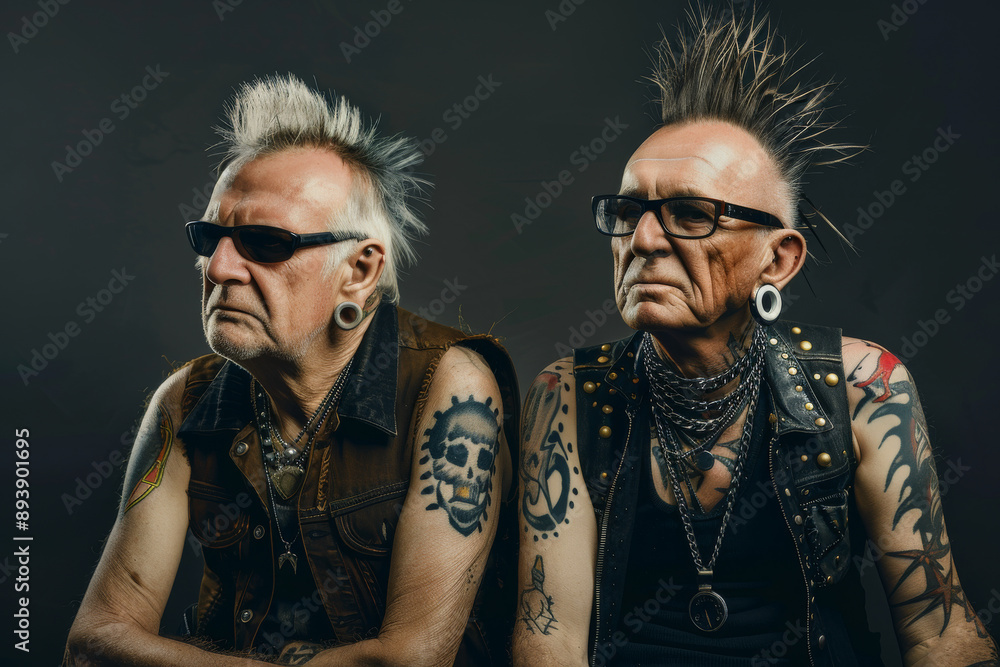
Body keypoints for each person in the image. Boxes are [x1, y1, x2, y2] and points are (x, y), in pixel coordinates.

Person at [513, 7, 998, 667]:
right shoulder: (568, 394)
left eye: (690, 214)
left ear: (778, 259)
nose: (643, 241)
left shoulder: (863, 388)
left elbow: (940, 633)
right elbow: (549, 641)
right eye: (628, 211)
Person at [64, 74, 519, 666]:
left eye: (264, 242)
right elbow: (94, 643)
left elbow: (411, 660)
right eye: (210, 236)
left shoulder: (452, 391)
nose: (219, 266)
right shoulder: (186, 402)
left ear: (358, 270)